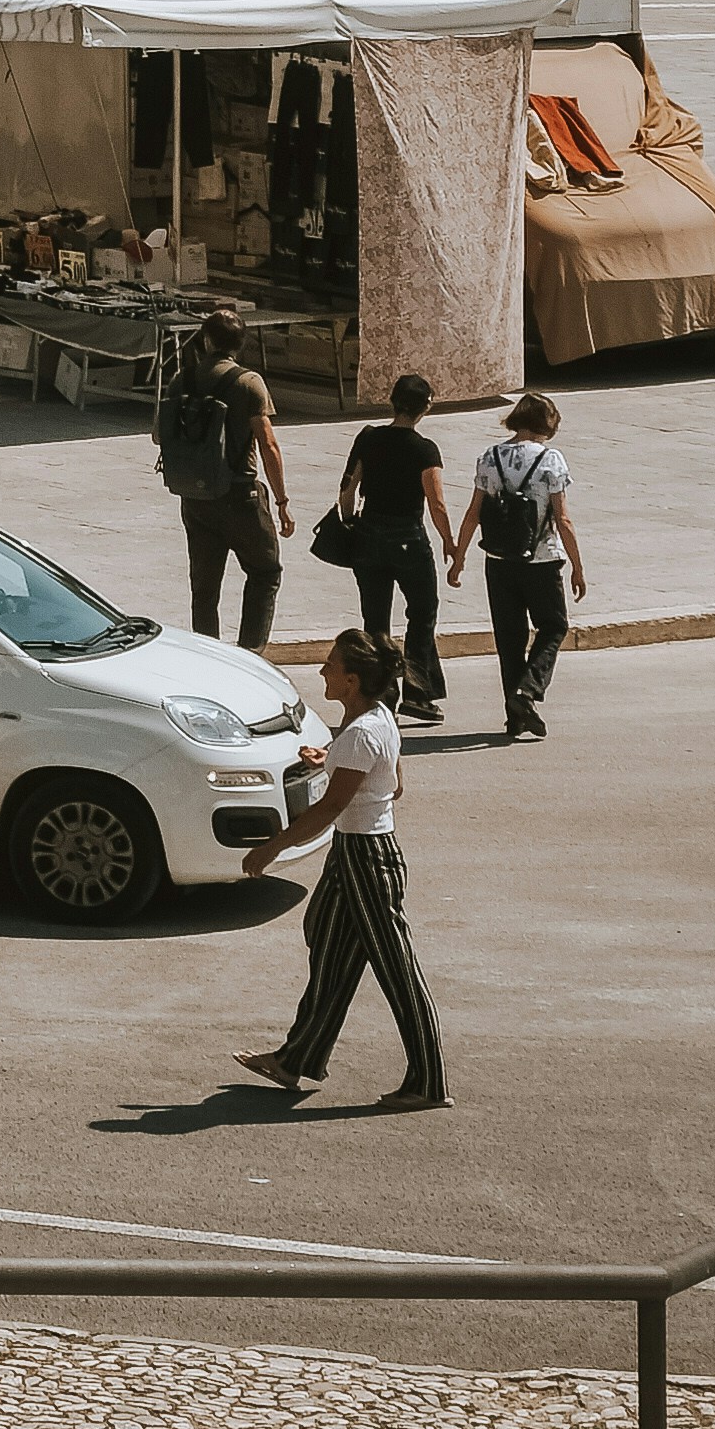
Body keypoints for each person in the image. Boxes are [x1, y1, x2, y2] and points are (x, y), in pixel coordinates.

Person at [240, 626, 446, 1104]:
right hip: (354, 855)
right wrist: (332, 760)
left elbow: (330, 809)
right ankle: (297, 1059)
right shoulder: (378, 719)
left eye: (331, 666)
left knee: (398, 971)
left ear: (351, 681)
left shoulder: (361, 733)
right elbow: (392, 784)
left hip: (367, 860)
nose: (322, 671)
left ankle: (428, 1082)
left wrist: (273, 846)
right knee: (327, 941)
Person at [450, 384, 589, 736]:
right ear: (547, 423)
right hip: (541, 560)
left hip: (498, 560)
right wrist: (577, 565)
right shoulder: (550, 460)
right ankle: (527, 691)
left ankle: (515, 715)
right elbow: (563, 518)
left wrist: (459, 556)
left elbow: (473, 513)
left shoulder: (489, 457)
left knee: (508, 639)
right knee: (554, 627)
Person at [157, 305, 288, 646]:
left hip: (194, 497)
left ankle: (208, 654)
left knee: (204, 588)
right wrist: (282, 500)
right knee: (264, 572)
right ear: (240, 344)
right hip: (240, 495)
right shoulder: (249, 382)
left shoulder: (180, 379)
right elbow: (268, 444)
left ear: (206, 340)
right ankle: (250, 653)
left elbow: (159, 435)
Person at [329, 372, 451, 719]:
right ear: (425, 407)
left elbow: (347, 490)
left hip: (369, 536)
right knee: (423, 613)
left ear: (393, 402)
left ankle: (381, 695)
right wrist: (450, 541)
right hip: (408, 539)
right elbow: (436, 503)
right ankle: (417, 690)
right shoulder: (425, 449)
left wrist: (352, 524)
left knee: (376, 621)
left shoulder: (368, 438)